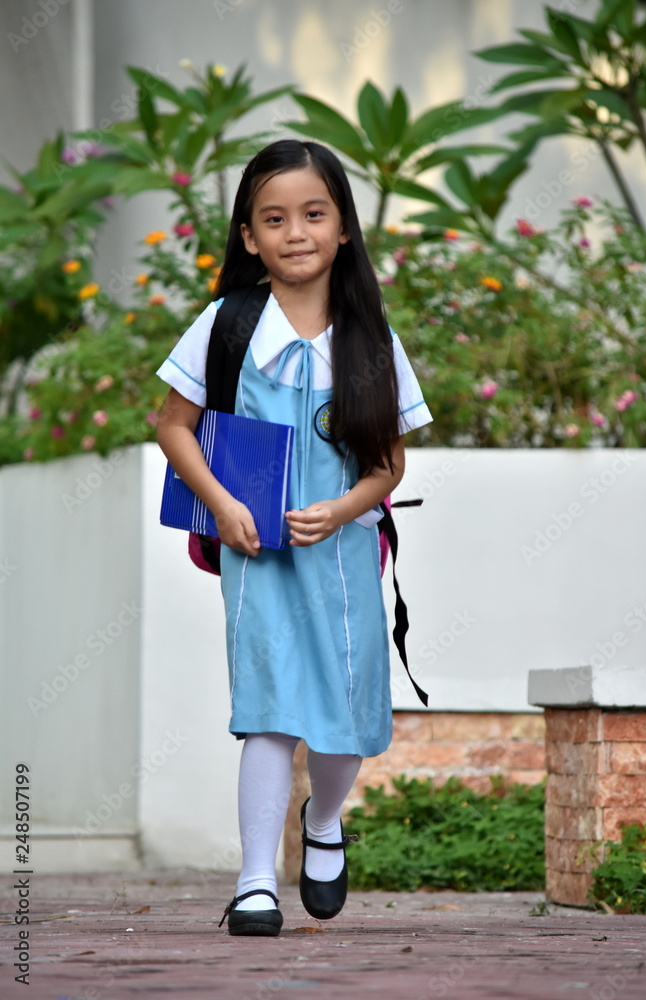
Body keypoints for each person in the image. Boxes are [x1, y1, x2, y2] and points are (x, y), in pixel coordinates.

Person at [156, 139, 432, 936]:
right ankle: (253, 883)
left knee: (344, 719)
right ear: (248, 237)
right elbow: (174, 427)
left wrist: (342, 509)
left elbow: (387, 466)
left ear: (343, 227)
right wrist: (221, 502)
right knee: (267, 709)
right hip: (256, 554)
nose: (295, 232)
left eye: (313, 214)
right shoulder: (224, 325)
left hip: (343, 552)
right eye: (273, 219)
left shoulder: (369, 338)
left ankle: (324, 819)